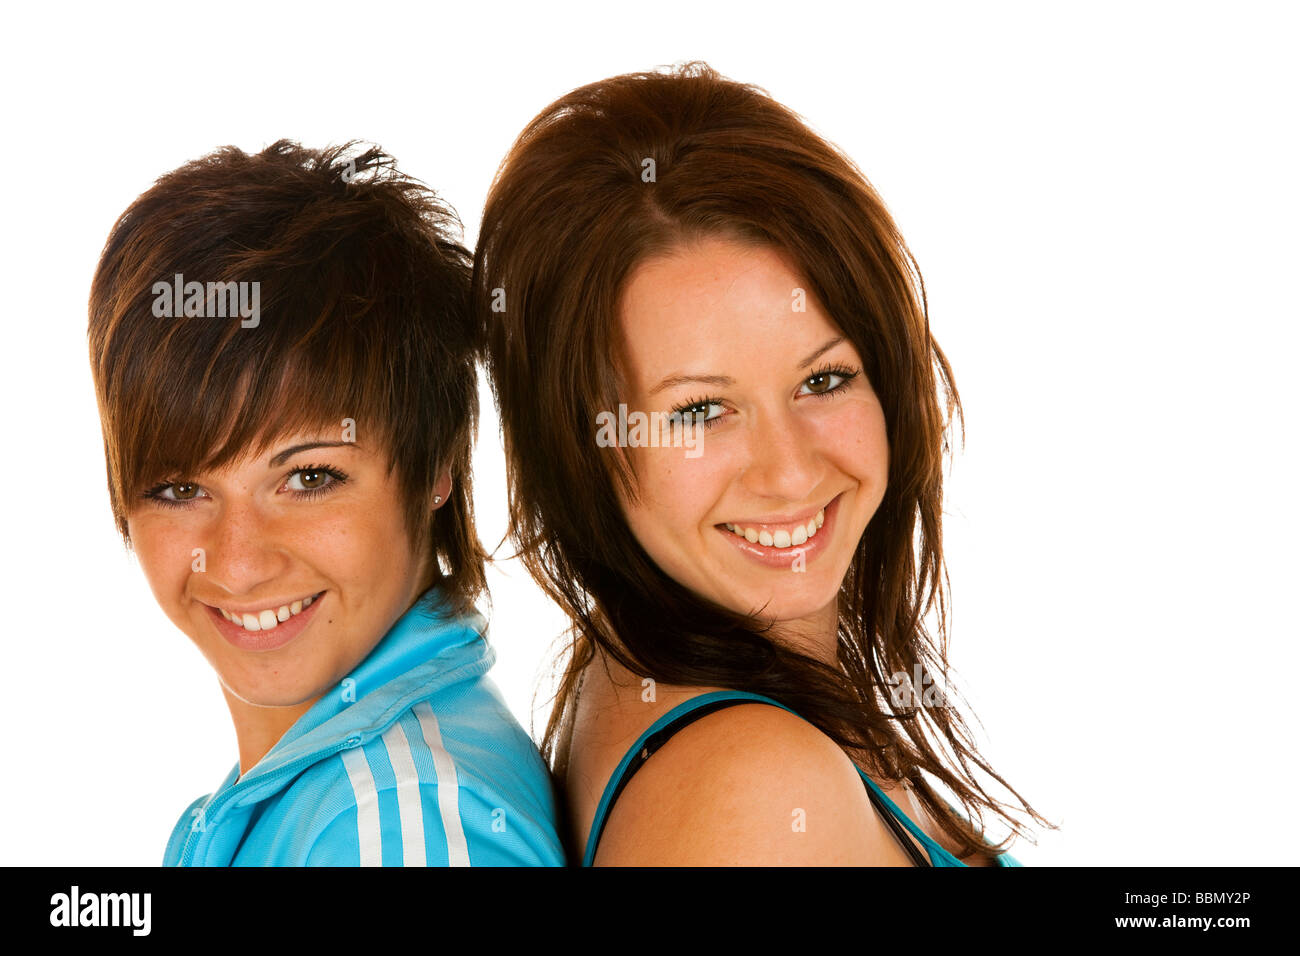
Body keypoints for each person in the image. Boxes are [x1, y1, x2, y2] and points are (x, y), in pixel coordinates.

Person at [473, 62, 1054, 865]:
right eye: (700, 412)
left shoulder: (650, 666)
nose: (788, 472)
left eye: (824, 379)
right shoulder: (754, 792)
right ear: (585, 447)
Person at [87, 140, 564, 866]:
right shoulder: (328, 791)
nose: (239, 564)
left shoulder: (397, 826)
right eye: (180, 489)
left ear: (436, 461)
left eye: (309, 478)